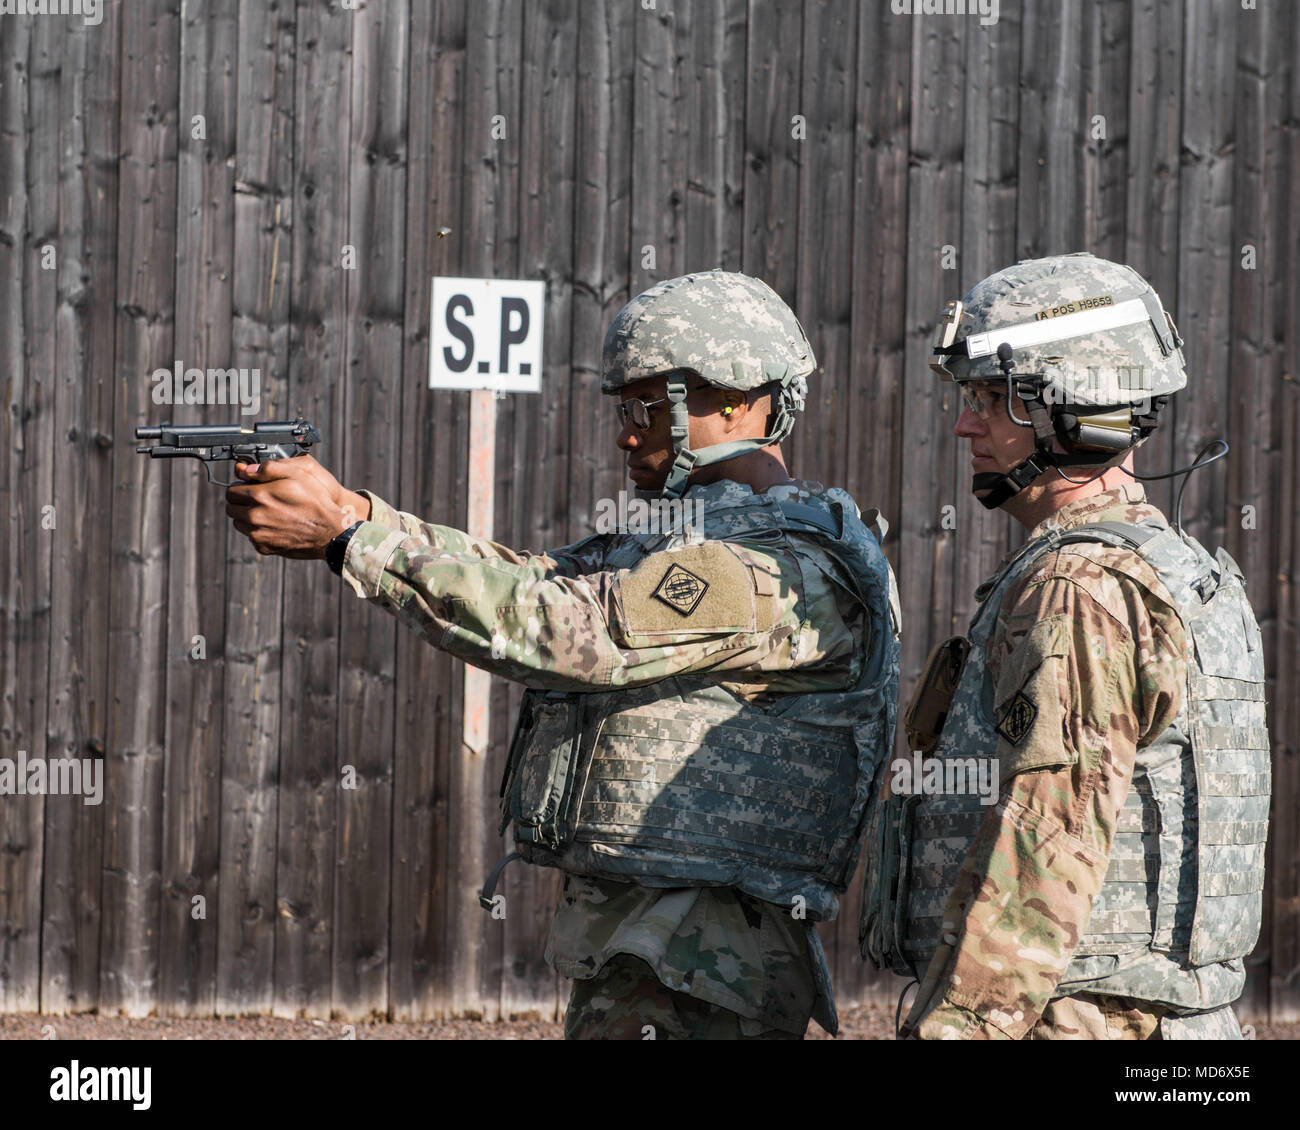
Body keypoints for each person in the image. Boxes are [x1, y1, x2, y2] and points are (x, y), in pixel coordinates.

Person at [226, 269, 900, 1040]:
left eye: (649, 406)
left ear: (739, 401)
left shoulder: (778, 567)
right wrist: (352, 513)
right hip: (658, 944)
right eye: (623, 407)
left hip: (701, 964)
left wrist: (353, 541)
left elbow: (572, 629)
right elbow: (529, 577)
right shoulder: (700, 538)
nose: (626, 431)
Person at [861, 252, 1270, 1040]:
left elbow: (1045, 851)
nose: (964, 423)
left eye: (990, 399)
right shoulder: (1178, 570)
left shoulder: (1078, 588)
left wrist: (958, 1030)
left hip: (1071, 1019)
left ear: (1065, 409)